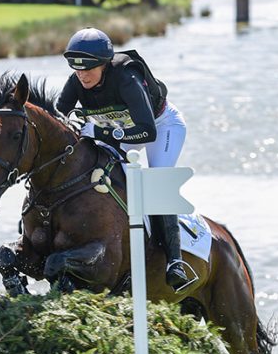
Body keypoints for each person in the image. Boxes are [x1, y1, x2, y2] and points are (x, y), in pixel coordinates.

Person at [55, 28, 192, 290]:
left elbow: (147, 130)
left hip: (160, 126)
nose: (82, 75)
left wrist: (101, 132)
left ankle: (175, 261)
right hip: (120, 132)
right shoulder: (76, 81)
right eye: (76, 69)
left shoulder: (126, 78)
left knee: (156, 181)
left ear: (105, 65)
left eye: (88, 69)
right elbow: (58, 118)